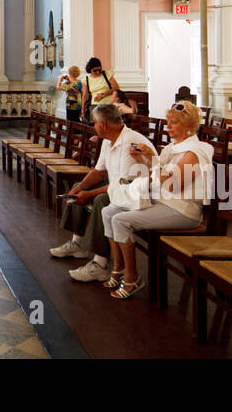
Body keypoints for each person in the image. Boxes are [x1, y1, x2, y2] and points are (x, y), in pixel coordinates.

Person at [97, 100, 214, 299]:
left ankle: (133, 279)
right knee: (109, 211)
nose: (168, 125)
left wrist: (152, 158)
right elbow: (156, 176)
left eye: (174, 122)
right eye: (168, 121)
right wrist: (141, 159)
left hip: (183, 211)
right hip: (164, 203)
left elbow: (171, 185)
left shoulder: (194, 152)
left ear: (188, 126)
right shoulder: (174, 148)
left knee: (121, 220)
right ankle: (118, 269)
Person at [50, 103, 156, 275]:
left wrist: (90, 194)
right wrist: (82, 188)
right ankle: (78, 244)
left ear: (103, 124)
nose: (93, 127)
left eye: (94, 123)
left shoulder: (130, 141)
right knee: (78, 187)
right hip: (119, 187)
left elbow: (122, 184)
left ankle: (101, 263)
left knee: (101, 200)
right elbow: (99, 172)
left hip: (138, 192)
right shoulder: (109, 140)